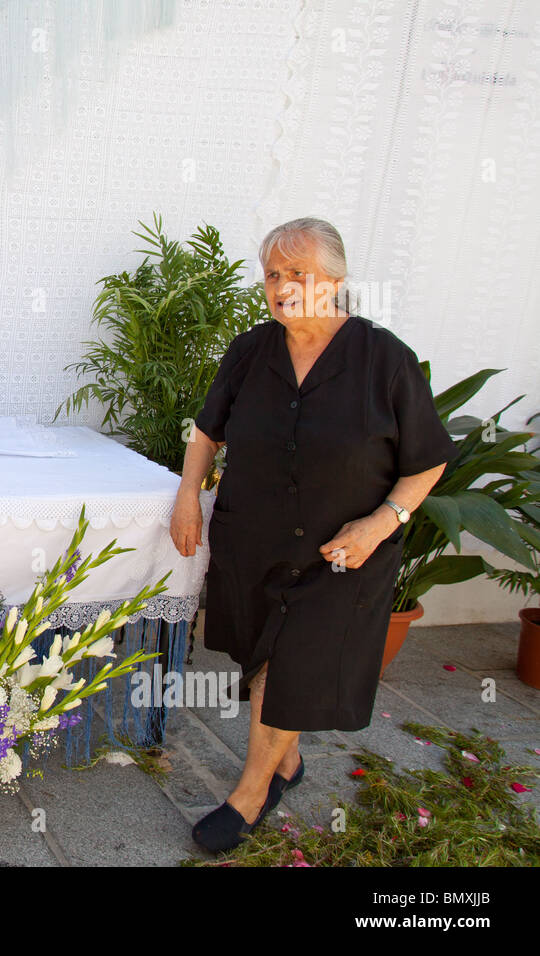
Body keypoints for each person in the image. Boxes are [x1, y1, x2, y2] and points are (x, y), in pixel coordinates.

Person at [168, 217, 457, 853]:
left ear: (335, 280)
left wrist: (383, 522)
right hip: (256, 543)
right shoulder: (250, 351)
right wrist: (189, 493)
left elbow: (429, 458)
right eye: (273, 274)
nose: (282, 286)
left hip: (343, 552)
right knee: (265, 657)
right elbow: (205, 433)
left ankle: (250, 795)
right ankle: (288, 763)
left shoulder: (384, 359)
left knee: (289, 664)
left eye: (298, 273)